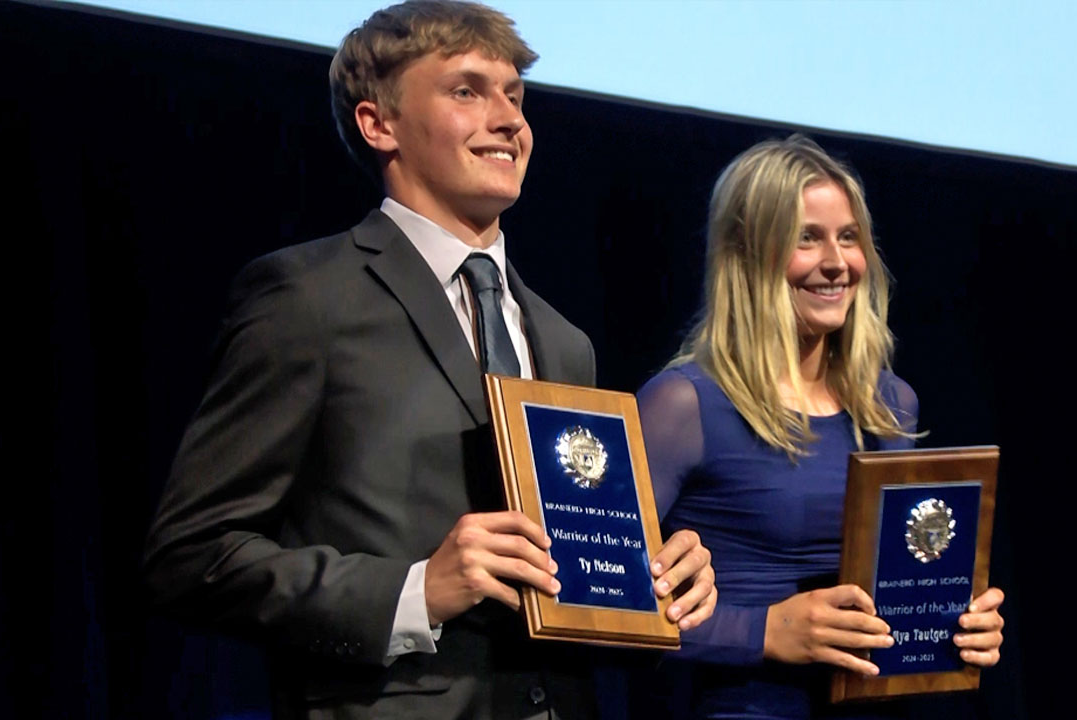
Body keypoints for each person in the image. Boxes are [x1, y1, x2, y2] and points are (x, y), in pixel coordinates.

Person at [142, 2, 716, 717]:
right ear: (379, 124)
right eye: (467, 91)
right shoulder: (307, 301)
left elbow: (570, 564)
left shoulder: (566, 341)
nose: (509, 119)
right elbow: (191, 558)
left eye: (515, 95)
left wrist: (652, 578)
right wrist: (415, 592)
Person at [636, 136, 1004, 719]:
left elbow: (899, 591)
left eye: (849, 237)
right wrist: (764, 632)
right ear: (748, 252)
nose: (837, 262)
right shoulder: (683, 405)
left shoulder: (889, 406)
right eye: (807, 237)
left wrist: (959, 627)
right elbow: (598, 600)